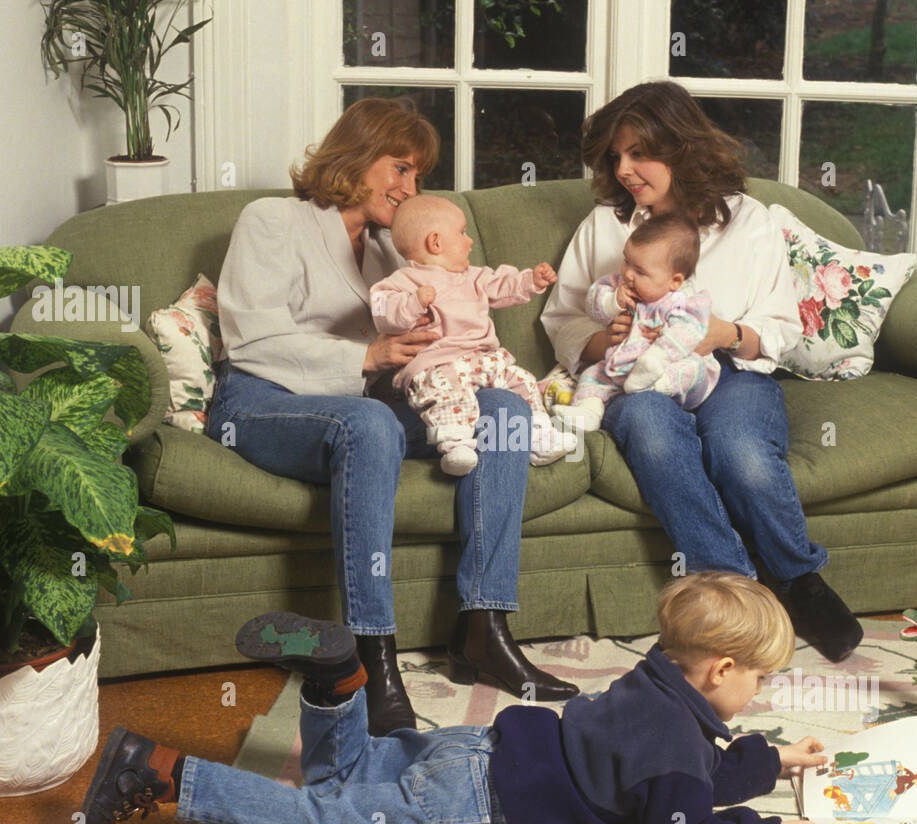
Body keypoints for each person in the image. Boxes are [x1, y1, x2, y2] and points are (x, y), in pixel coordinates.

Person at [206, 98, 577, 738]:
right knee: (371, 424)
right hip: (264, 399)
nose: (409, 191)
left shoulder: (389, 250)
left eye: (417, 178)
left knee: (501, 406)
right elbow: (250, 340)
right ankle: (368, 657)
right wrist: (369, 355)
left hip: (360, 403)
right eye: (400, 170)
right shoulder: (271, 220)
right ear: (355, 156)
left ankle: (484, 629)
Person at [72, 571, 840, 824]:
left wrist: (775, 763)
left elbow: (693, 777)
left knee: (345, 770)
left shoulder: (652, 684)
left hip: (477, 747)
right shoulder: (677, 753)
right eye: (762, 678)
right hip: (480, 805)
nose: (762, 694)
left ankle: (339, 683)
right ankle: (165, 771)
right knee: (330, 822)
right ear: (721, 671)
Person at [539, 81, 863, 662]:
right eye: (616, 156)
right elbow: (561, 315)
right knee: (652, 434)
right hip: (640, 378)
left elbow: (783, 329)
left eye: (639, 153)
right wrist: (597, 339)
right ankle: (738, 596)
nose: (625, 169)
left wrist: (727, 334)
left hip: (729, 372)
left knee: (739, 452)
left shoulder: (748, 221)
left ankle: (797, 581)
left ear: (681, 148)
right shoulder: (606, 224)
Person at [369, 194, 576, 476]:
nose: (470, 241)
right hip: (437, 366)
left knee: (523, 380)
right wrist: (413, 303)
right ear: (436, 242)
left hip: (484, 359)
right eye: (462, 233)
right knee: (447, 391)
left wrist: (530, 280)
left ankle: (540, 435)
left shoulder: (474, 276)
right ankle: (455, 445)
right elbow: (383, 312)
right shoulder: (403, 282)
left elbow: (502, 284)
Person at [555, 211, 719, 430]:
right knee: (592, 375)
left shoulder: (682, 301)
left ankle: (657, 384)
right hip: (623, 366)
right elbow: (593, 302)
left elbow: (688, 332)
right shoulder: (619, 285)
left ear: (674, 281)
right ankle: (588, 412)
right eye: (626, 261)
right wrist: (613, 302)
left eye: (640, 271)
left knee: (694, 366)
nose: (628, 274)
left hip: (669, 368)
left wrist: (659, 353)